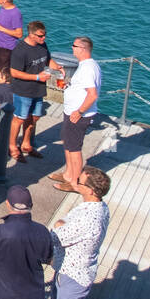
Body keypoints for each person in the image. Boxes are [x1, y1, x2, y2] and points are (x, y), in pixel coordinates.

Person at [51, 166, 111, 299]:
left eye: (79, 181)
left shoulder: (87, 219)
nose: (75, 183)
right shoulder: (101, 207)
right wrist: (62, 224)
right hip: (82, 272)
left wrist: (59, 224)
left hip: (71, 277)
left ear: (91, 190)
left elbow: (55, 237)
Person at [51, 37, 100, 193]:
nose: (72, 48)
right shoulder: (86, 65)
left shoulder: (88, 68)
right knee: (68, 142)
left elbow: (92, 95)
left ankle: (74, 182)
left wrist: (79, 112)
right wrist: (69, 84)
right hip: (71, 111)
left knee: (74, 148)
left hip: (77, 114)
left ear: (82, 49)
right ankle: (68, 174)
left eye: (74, 46)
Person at [9, 21, 62, 162]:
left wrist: (58, 67)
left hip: (38, 89)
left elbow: (47, 60)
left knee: (34, 117)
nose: (43, 38)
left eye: (44, 35)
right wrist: (37, 77)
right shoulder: (20, 50)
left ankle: (26, 144)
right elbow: (14, 72)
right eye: (40, 36)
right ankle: (12, 146)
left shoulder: (42, 45)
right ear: (31, 34)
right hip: (23, 90)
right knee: (19, 118)